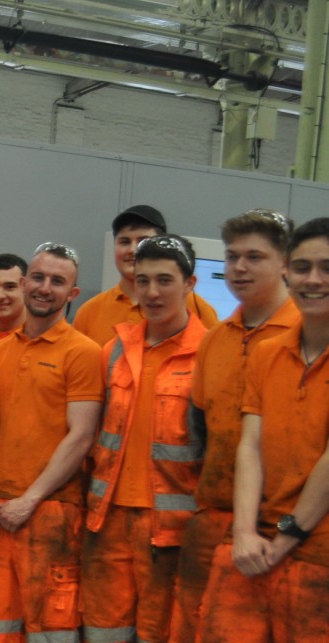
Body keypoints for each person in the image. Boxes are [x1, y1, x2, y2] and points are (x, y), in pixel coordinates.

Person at [196, 217, 329, 642]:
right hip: (254, 543)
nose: (313, 280)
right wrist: (245, 532)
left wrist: (286, 537)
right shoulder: (268, 353)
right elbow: (249, 445)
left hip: (317, 551)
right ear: (289, 269)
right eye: (304, 267)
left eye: (327, 268)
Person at [0, 242, 102, 642]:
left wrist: (30, 499)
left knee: (51, 632)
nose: (46, 288)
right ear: (25, 282)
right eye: (39, 278)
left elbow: (81, 436)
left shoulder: (83, 353)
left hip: (52, 512)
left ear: (72, 294)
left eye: (58, 282)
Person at [171, 209, 296, 643]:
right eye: (231, 256)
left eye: (254, 257)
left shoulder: (306, 334)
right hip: (211, 523)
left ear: (285, 263)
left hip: (277, 535)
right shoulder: (215, 339)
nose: (239, 268)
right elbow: (201, 428)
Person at [82, 234, 207, 643]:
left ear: (190, 284)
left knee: (162, 634)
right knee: (103, 632)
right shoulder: (115, 349)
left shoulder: (210, 354)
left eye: (165, 280)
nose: (152, 292)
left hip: (172, 532)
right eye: (144, 280)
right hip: (107, 520)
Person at [73, 205, 218, 345]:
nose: (133, 250)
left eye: (143, 242)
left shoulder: (198, 308)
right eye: (124, 242)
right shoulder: (89, 313)